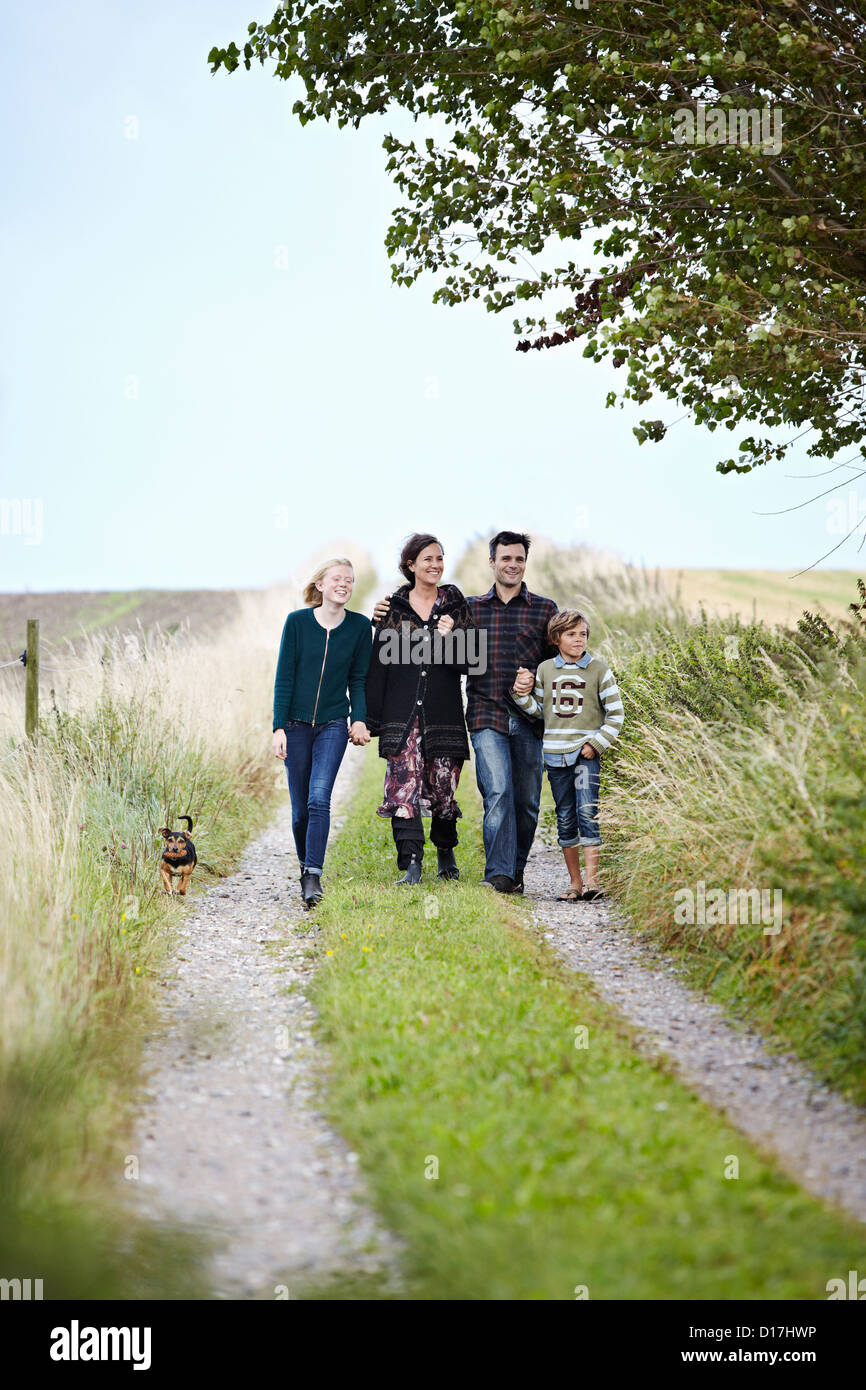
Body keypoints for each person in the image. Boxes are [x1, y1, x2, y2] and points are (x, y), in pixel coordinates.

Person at [373, 530, 558, 893]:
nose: (512, 565)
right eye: (505, 558)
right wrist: (383, 614)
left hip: (527, 717)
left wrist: (534, 674)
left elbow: (557, 663)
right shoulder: (467, 607)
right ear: (492, 563)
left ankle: (510, 869)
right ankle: (496, 874)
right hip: (485, 714)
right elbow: (395, 654)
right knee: (497, 793)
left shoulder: (539, 609)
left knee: (523, 803)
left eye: (519, 559)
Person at [365, 533, 475, 885]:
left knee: (443, 788)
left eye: (440, 558)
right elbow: (379, 667)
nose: (435, 565)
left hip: (443, 713)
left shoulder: (456, 608)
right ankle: (411, 862)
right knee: (403, 789)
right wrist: (370, 720)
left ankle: (445, 850)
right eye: (427, 559)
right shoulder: (392, 610)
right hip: (402, 716)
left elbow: (472, 663)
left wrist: (451, 637)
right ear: (410, 565)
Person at [271, 558, 371, 908]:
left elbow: (358, 680)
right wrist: (278, 727)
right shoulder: (297, 623)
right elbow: (284, 678)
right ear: (321, 585)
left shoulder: (359, 627)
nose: (344, 584)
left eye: (350, 580)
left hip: (332, 724)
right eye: (337, 579)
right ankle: (304, 865)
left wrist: (358, 718)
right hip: (296, 726)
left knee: (319, 798)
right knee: (300, 811)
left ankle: (313, 875)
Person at [511, 610, 624, 901]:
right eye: (571, 634)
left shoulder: (599, 670)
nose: (578, 639)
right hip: (555, 756)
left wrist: (596, 744)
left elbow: (616, 715)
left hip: (585, 755)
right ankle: (574, 883)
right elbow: (539, 711)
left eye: (583, 634)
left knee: (588, 812)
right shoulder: (546, 670)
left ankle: (593, 882)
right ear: (556, 638)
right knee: (564, 817)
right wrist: (520, 697)